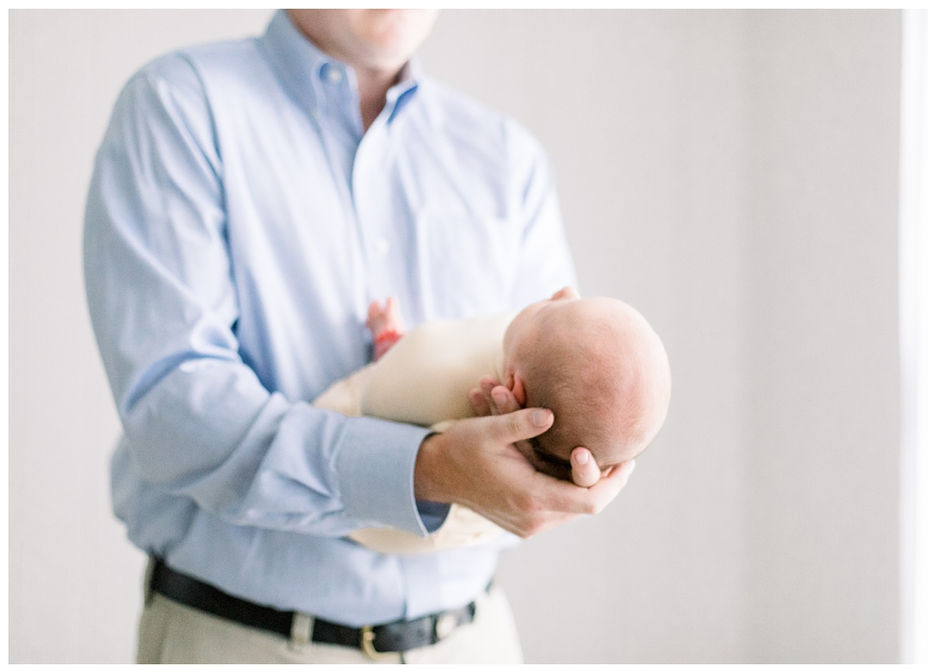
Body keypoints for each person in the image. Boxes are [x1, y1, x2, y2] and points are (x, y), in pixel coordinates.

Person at [83, 8, 635, 664]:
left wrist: (566, 465)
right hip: (250, 645)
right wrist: (426, 470)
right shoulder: (178, 107)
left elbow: (563, 394)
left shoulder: (508, 159)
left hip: (472, 643)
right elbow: (177, 411)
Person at [314, 286, 671, 554]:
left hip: (338, 460)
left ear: (514, 386)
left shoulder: (456, 393)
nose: (563, 291)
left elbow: (396, 398)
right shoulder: (540, 365)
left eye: (547, 312)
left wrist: (394, 350)